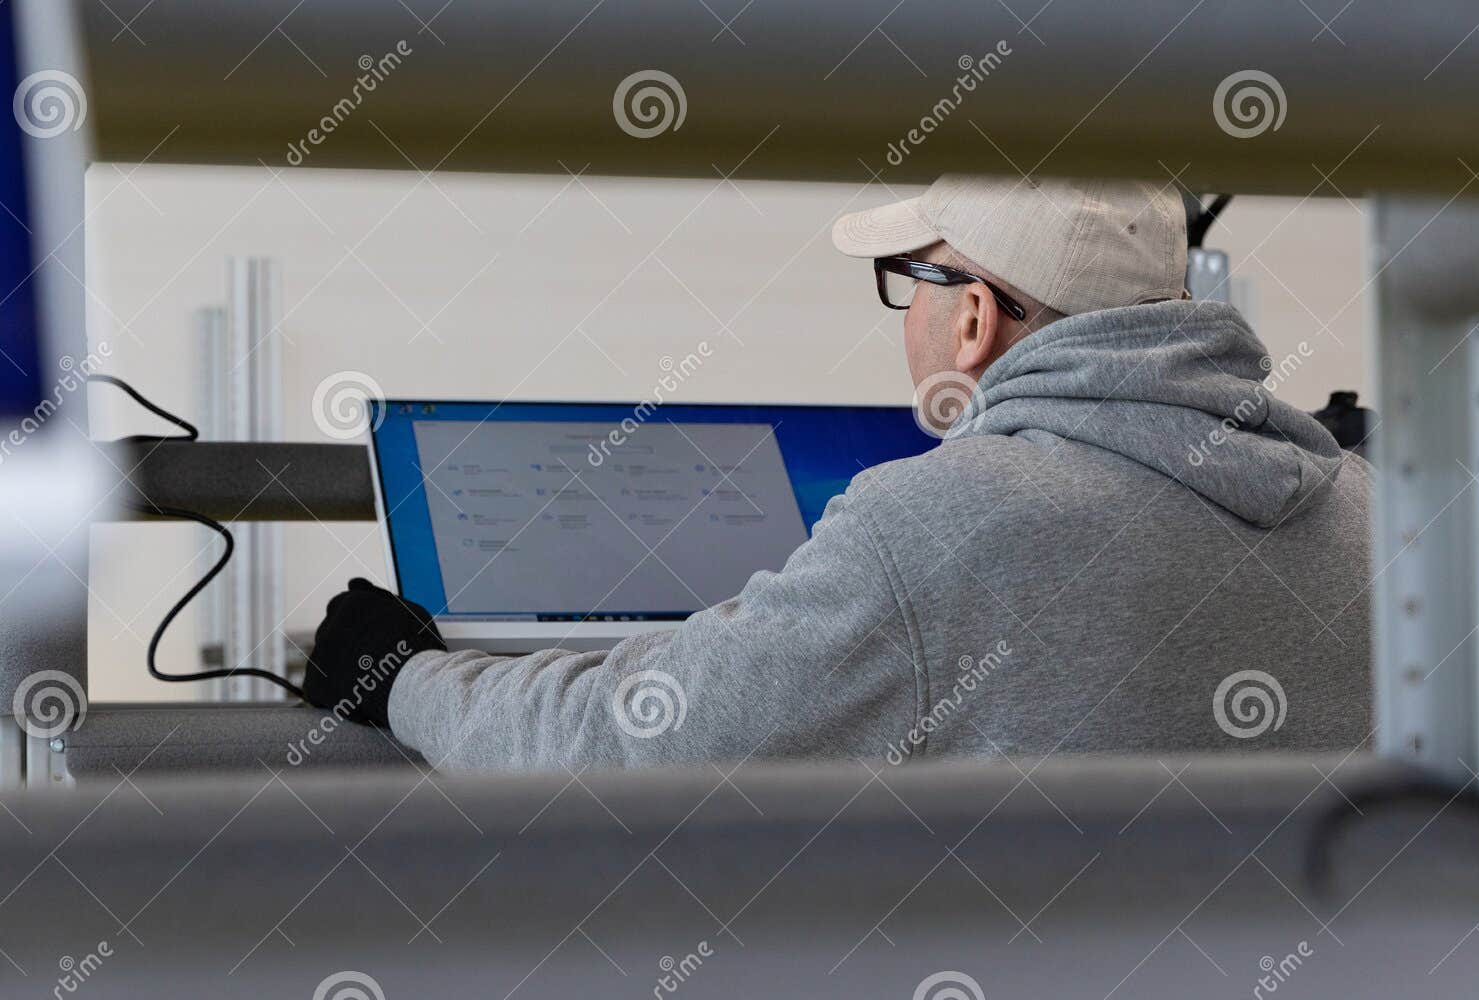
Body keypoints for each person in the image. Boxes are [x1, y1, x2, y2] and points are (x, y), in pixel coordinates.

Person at [304, 175, 1372, 772]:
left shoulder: (945, 522)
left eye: (905, 280)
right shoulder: (1372, 510)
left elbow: (623, 743)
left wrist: (401, 677)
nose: (901, 310)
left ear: (970, 317)